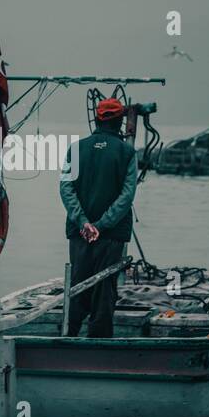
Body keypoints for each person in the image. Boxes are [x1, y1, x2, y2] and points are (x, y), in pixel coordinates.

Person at [58, 97, 138, 337]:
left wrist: (83, 222)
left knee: (77, 282)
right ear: (120, 121)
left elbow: (66, 188)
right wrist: (101, 226)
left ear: (96, 118)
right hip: (111, 234)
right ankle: (99, 339)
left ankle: (69, 333)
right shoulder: (127, 152)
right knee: (104, 288)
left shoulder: (75, 149)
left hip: (79, 232)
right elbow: (127, 194)